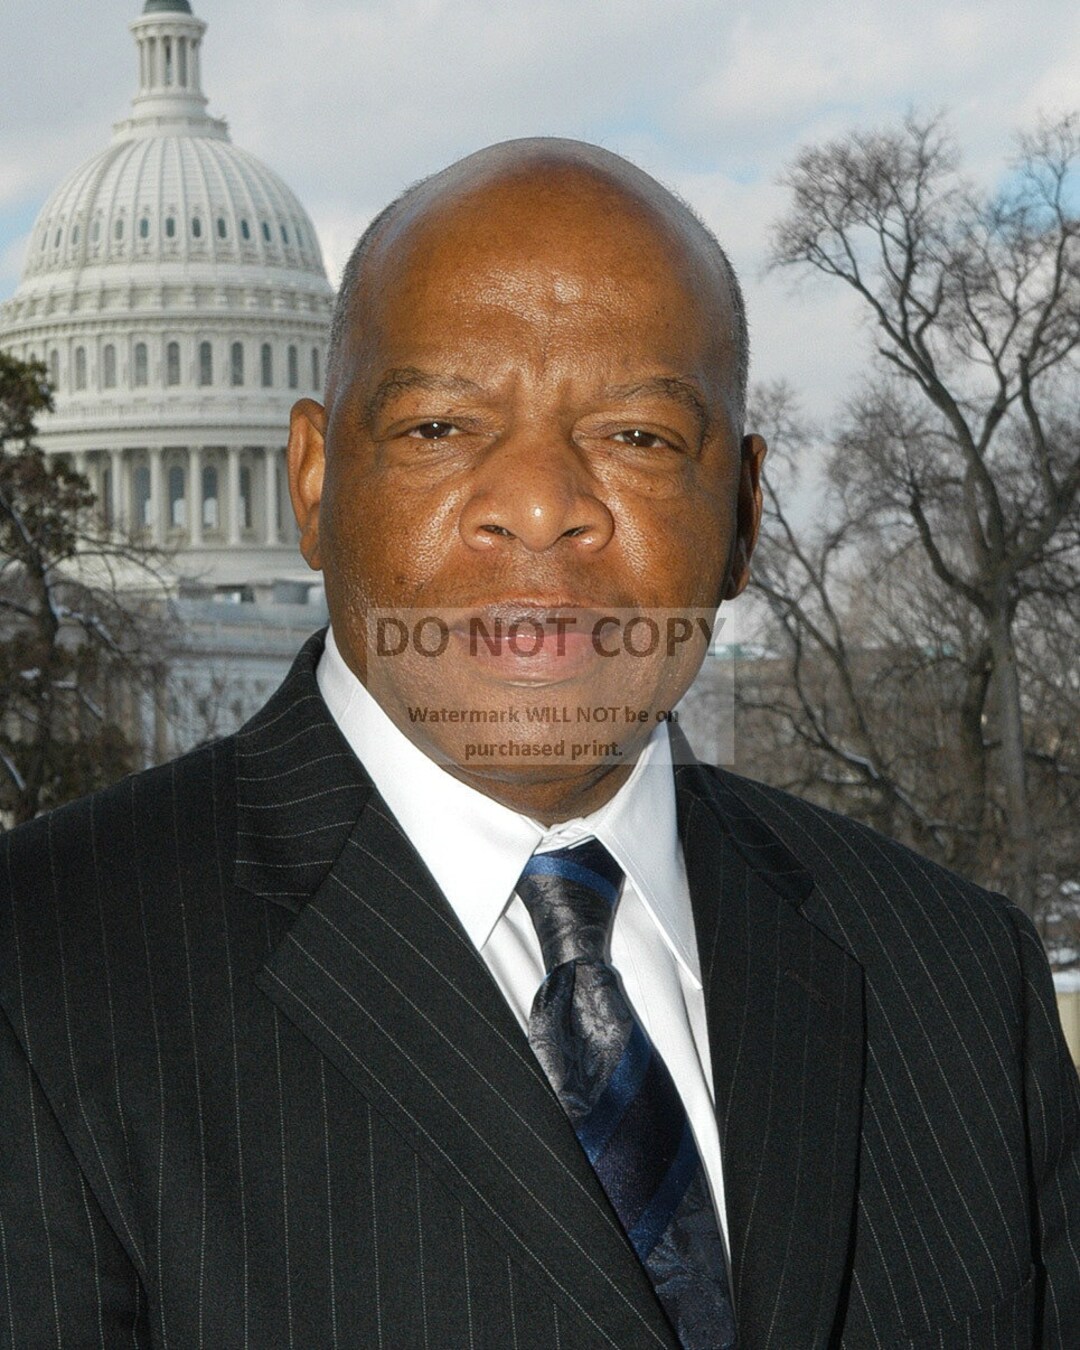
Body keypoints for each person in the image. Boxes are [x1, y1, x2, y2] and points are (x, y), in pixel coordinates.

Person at [1, 138, 1077, 1349]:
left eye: (638, 438)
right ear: (309, 479)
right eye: (441, 426)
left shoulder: (960, 981)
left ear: (744, 513)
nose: (540, 501)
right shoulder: (39, 979)